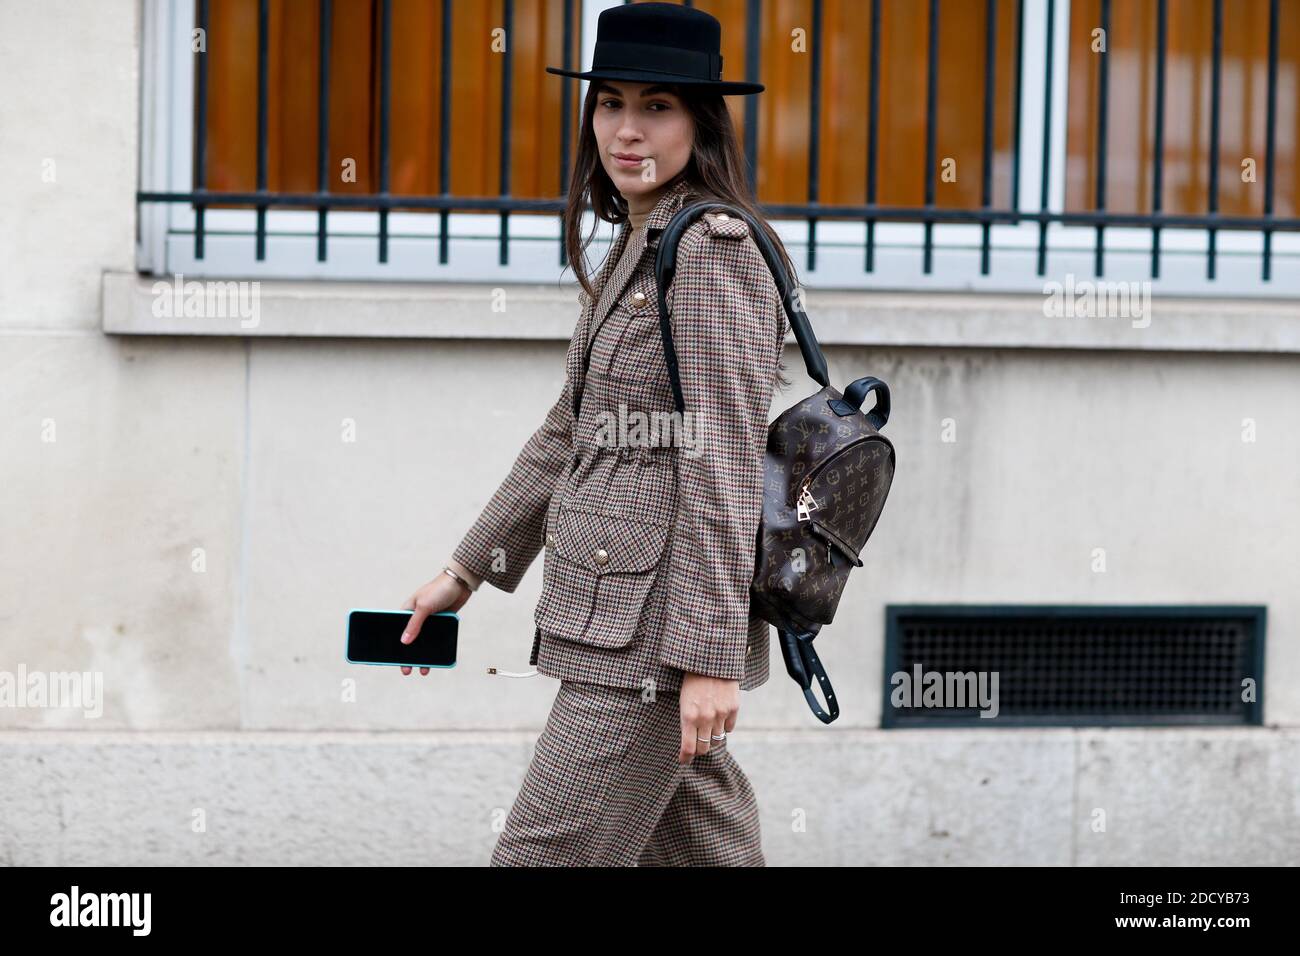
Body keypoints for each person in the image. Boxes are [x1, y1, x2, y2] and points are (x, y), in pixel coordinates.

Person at [399, 2, 796, 866]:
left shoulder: (709, 247)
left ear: (701, 122)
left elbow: (724, 459)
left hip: (652, 634)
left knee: (541, 857)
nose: (626, 129)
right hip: (614, 611)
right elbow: (571, 431)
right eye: (610, 103)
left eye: (657, 107)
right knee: (702, 850)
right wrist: (470, 567)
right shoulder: (643, 238)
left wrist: (708, 659)